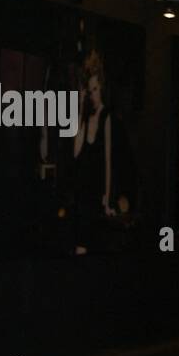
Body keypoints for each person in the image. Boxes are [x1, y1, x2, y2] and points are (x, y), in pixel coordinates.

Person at [69, 49, 133, 254]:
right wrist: (80, 108)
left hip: (97, 196)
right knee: (80, 247)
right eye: (90, 90)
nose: (93, 94)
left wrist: (108, 197)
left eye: (96, 89)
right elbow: (76, 152)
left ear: (102, 88)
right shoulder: (87, 118)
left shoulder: (107, 117)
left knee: (93, 248)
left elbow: (108, 160)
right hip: (83, 194)